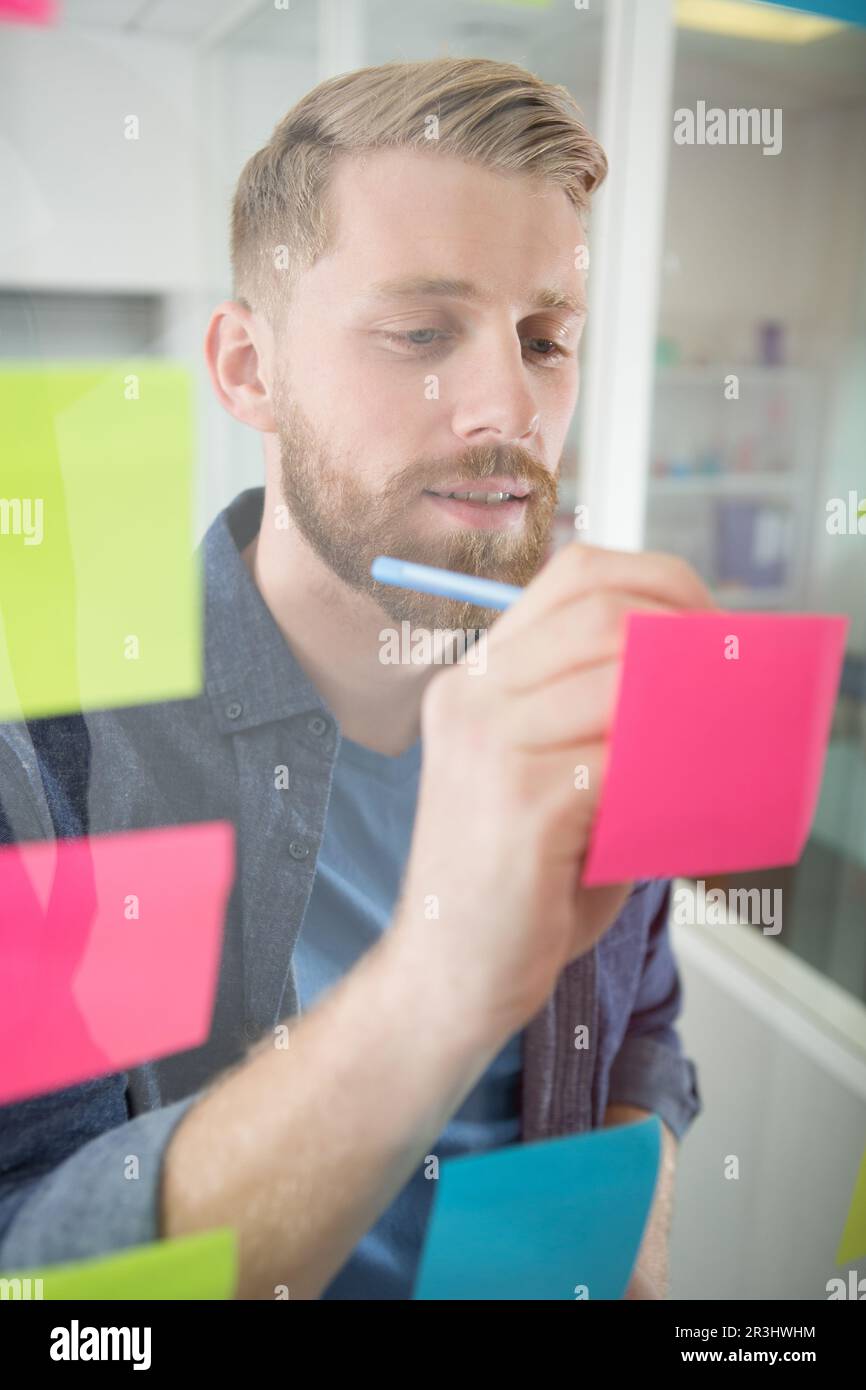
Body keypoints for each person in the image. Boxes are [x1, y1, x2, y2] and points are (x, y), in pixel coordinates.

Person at [0, 57, 708, 1300]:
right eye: (422, 332)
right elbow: (36, 1273)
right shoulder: (52, 754)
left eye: (545, 340)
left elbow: (640, 1024)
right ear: (246, 370)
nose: (508, 408)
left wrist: (625, 1237)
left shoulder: (589, 694)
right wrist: (437, 988)